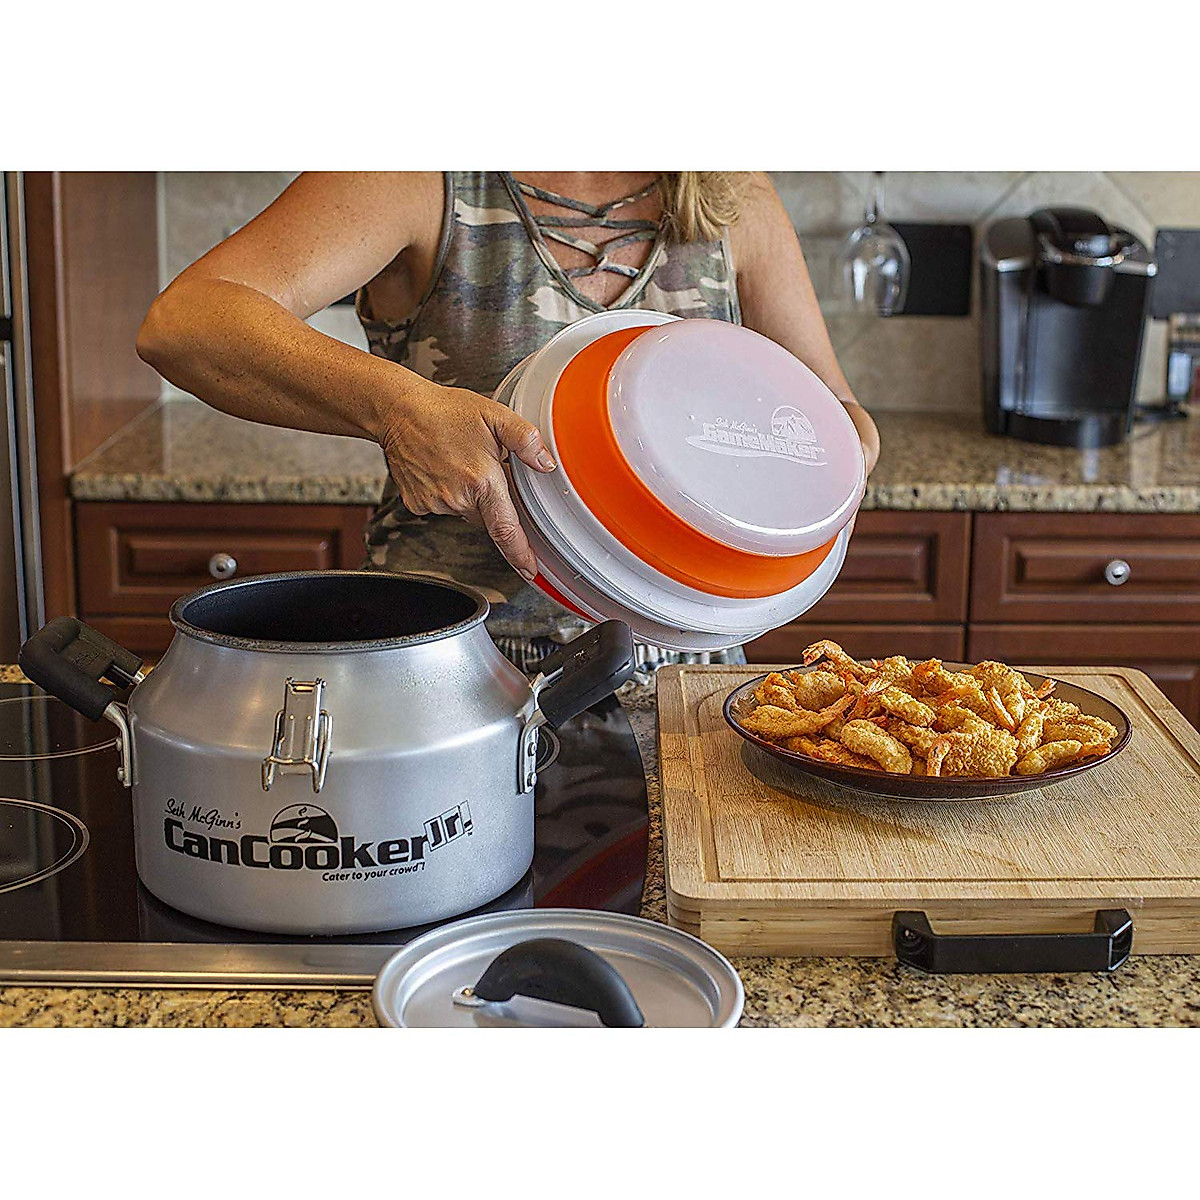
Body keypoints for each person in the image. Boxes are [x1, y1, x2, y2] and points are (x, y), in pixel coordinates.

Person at [137, 172, 879, 671]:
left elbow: (834, 415)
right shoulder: (415, 173)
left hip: (688, 669)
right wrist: (398, 409)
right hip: (454, 661)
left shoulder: (729, 193)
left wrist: (825, 460)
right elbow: (187, 322)